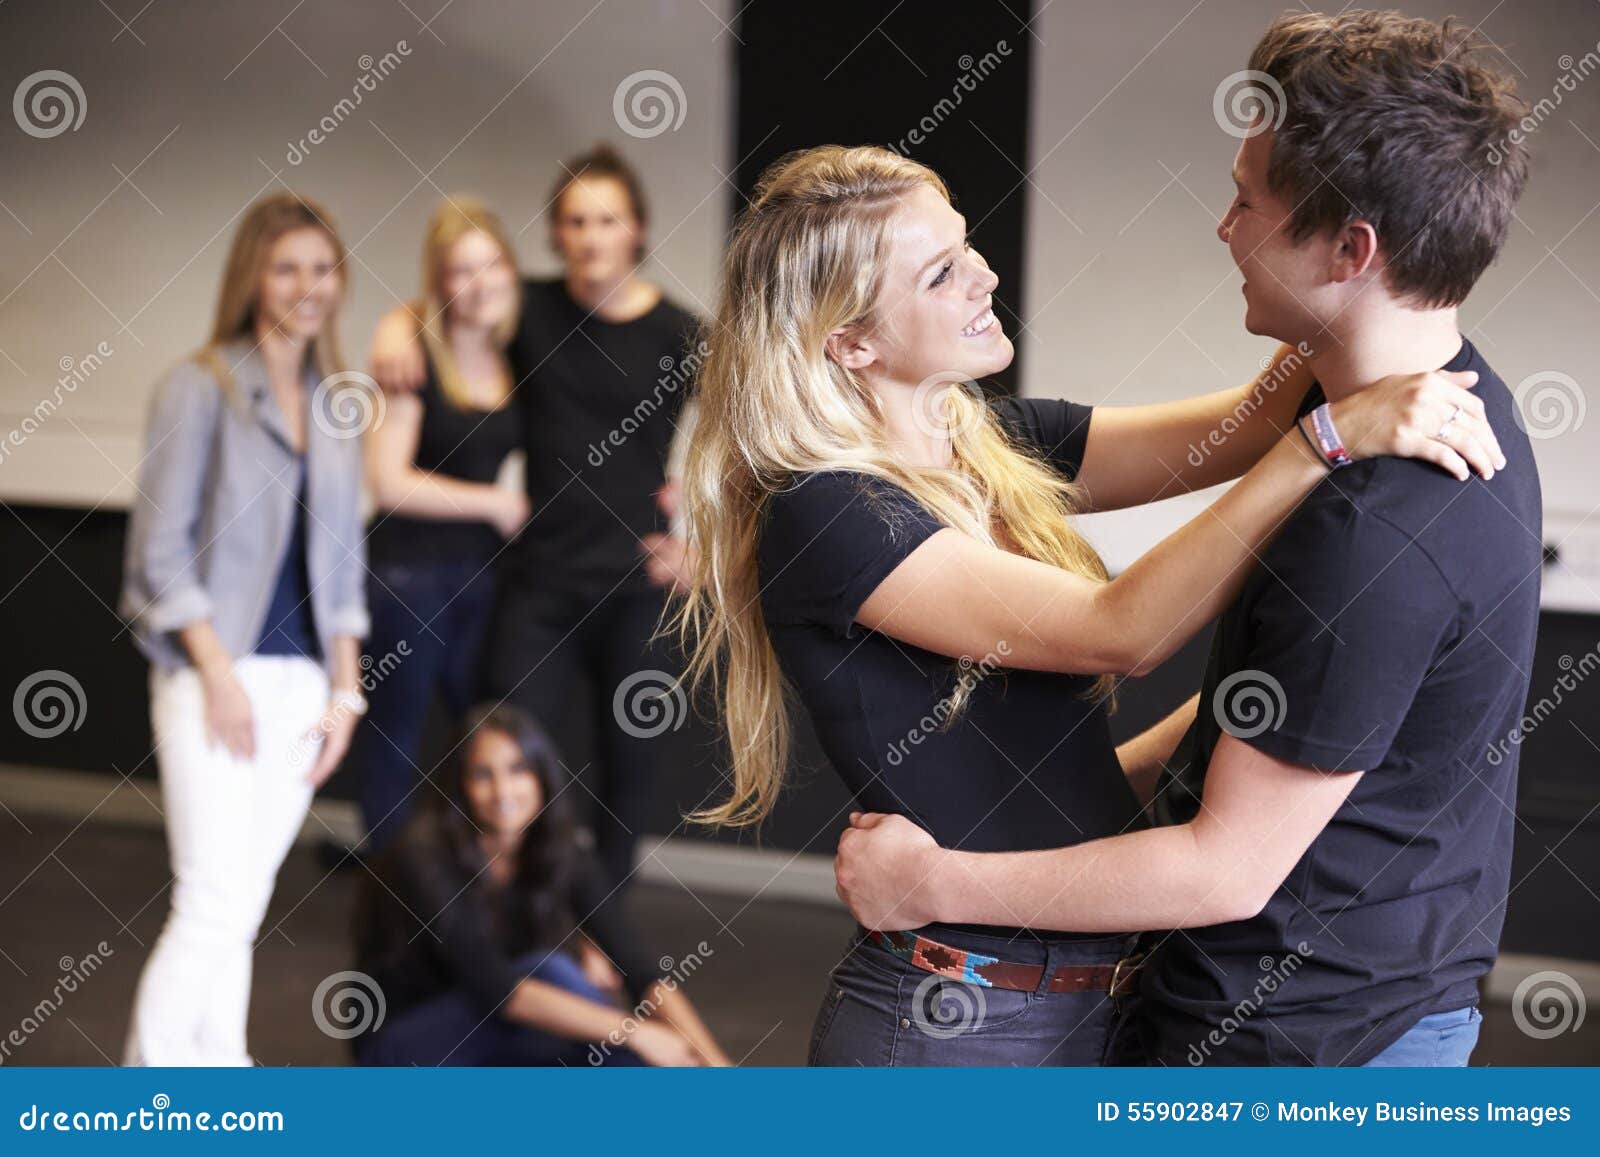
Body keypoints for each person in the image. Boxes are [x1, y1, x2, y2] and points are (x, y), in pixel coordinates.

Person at [671, 143, 1501, 1066]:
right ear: (850, 340)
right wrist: (1328, 444)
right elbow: (1123, 633)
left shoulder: (997, 443)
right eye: (941, 273)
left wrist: (1348, 281)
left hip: (1094, 1005)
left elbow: (1245, 427)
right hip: (951, 1018)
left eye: (967, 245)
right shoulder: (827, 513)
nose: (984, 275)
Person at [833, 10, 1537, 1069]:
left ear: (1351, 249)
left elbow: (1223, 869)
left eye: (1247, 202)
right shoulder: (1461, 400)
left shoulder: (1371, 523)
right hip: (1360, 1008)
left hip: (1300, 1047)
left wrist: (935, 881)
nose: (1223, 227)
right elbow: (1279, 715)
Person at [369, 144, 702, 892]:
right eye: (575, 221)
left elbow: (760, 433)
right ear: (556, 234)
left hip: (635, 587)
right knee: (505, 760)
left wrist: (708, 536)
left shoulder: (681, 335)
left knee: (631, 767)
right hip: (535, 583)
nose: (590, 236)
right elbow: (447, 303)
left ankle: (599, 936)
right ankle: (502, 917)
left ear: (637, 229)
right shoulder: (530, 312)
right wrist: (396, 328)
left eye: (606, 219)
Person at [118, 192, 370, 1066]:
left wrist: (346, 690)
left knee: (245, 900)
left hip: (303, 684)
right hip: (212, 676)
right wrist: (218, 674)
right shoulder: (200, 385)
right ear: (253, 277)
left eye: (322, 267)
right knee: (212, 900)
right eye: (287, 266)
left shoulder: (339, 404)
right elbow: (159, 551)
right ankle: (143, 1091)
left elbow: (342, 566)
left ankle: (219, 1077)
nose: (307, 285)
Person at [352, 703, 730, 1066]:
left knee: (597, 1040)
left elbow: (640, 970)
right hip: (407, 1049)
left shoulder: (563, 849)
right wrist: (635, 1032)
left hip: (500, 1036)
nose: (503, 791)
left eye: (518, 769)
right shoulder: (423, 856)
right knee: (554, 977)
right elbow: (500, 991)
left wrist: (716, 1062)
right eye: (482, 775)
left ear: (542, 775)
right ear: (460, 786)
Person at [345, 196, 529, 855]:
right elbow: (388, 481)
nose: (479, 284)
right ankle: (393, 901)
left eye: (491, 265)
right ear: (439, 280)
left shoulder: (516, 350)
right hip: (407, 576)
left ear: (511, 269)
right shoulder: (413, 356)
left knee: (479, 735)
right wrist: (491, 502)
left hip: (483, 577)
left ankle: (461, 888)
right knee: (396, 734)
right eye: (460, 271)